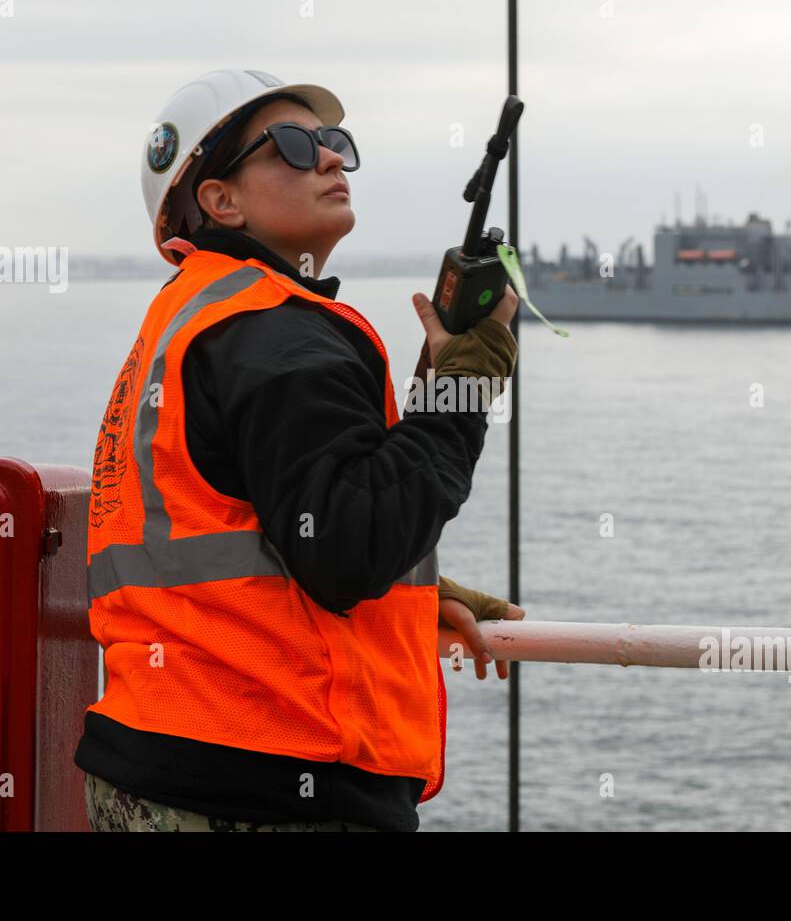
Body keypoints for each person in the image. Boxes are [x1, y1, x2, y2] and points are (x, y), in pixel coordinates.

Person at [74, 68, 524, 832]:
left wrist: (406, 599)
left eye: (335, 143)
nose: (329, 160)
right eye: (291, 145)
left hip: (158, 772)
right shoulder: (275, 330)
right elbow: (345, 546)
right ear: (220, 201)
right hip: (268, 787)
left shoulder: (192, 321)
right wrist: (464, 389)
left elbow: (274, 531)